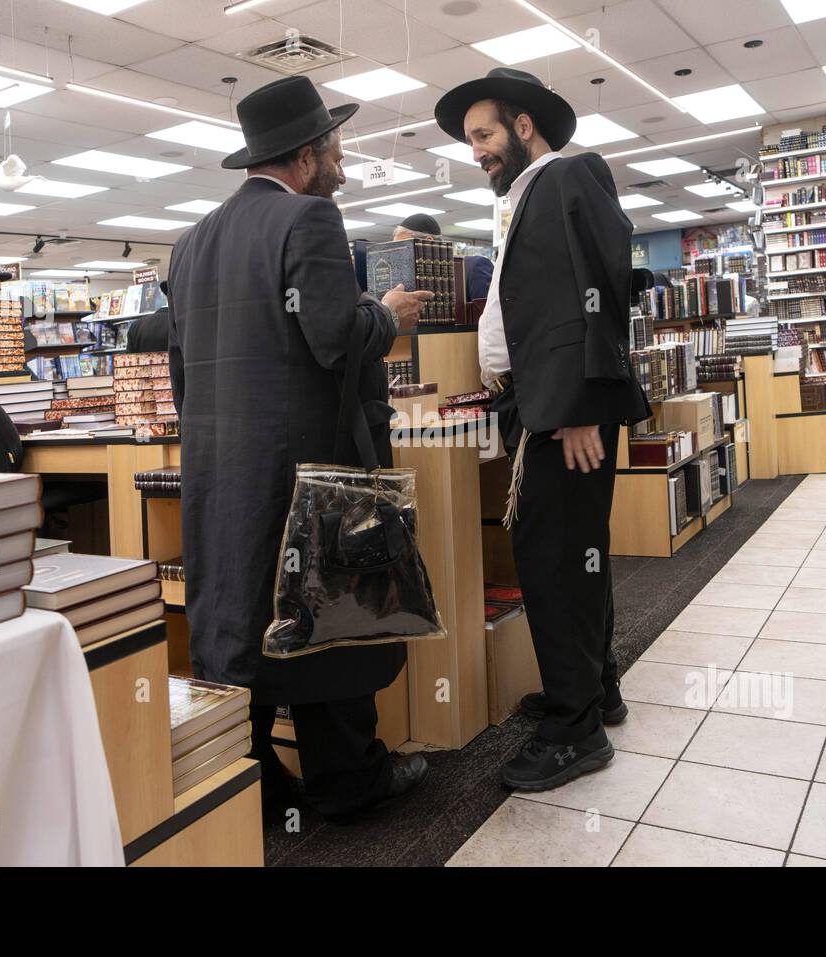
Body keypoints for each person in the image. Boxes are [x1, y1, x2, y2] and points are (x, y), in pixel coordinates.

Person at [166, 75, 432, 821]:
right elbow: (333, 338)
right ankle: (348, 779)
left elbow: (183, 376)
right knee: (328, 617)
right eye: (337, 145)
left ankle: (251, 778)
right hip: (306, 468)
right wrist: (383, 314)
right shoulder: (310, 219)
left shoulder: (189, 244)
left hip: (222, 473)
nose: (343, 159)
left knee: (244, 615)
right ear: (309, 156)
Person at [434, 67, 649, 791]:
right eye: (472, 142)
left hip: (566, 408)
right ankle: (595, 687)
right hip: (545, 405)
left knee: (556, 558)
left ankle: (575, 728)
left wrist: (580, 405)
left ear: (525, 126)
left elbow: (601, 284)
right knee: (572, 555)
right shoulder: (528, 195)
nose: (477, 152)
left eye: (485, 135)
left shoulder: (572, 174)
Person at [392, 213, 495, 301]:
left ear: (428, 241)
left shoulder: (472, 267)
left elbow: (488, 316)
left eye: (404, 246)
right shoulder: (412, 278)